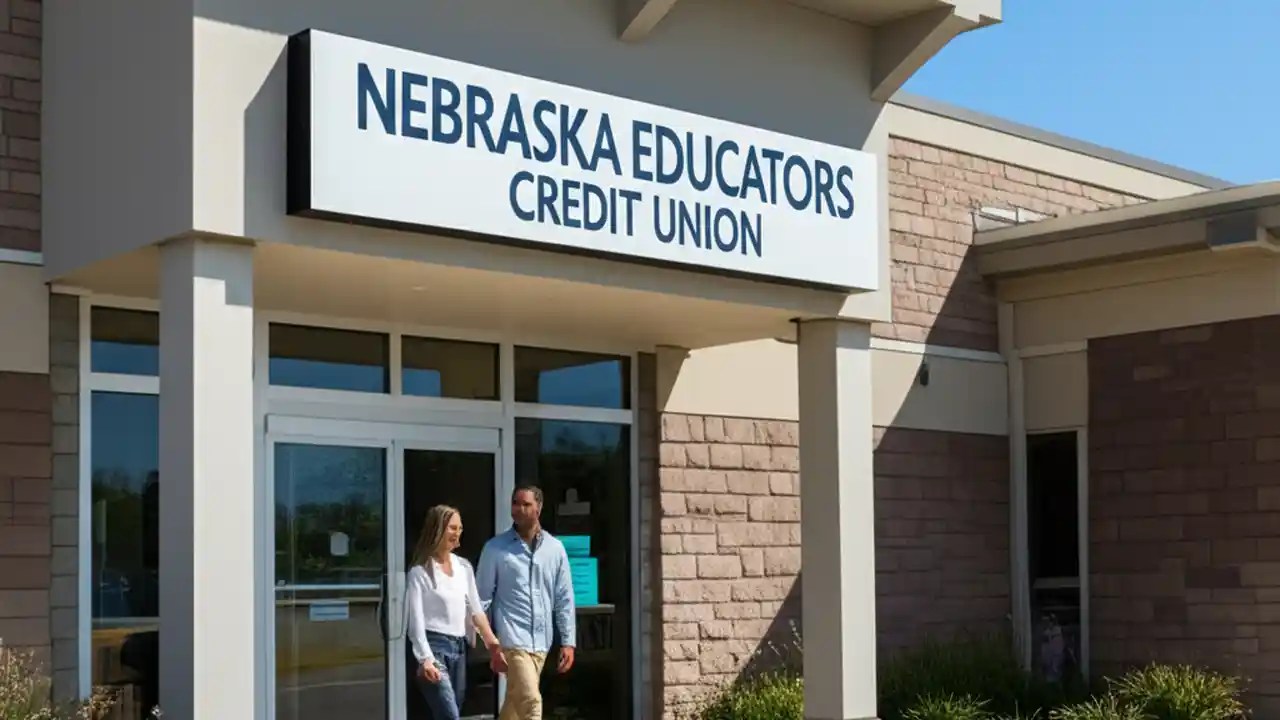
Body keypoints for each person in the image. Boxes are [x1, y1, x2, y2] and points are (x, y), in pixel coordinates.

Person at [477, 486, 576, 720]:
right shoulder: (495, 549)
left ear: (538, 508)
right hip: (512, 641)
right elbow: (480, 599)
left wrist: (568, 641)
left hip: (542, 642)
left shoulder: (555, 549)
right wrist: (489, 644)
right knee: (531, 703)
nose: (519, 509)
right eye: (515, 503)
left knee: (513, 708)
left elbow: (564, 598)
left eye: (526, 504)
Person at [407, 505, 506, 720]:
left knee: (450, 713)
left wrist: (493, 644)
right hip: (435, 650)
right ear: (437, 529)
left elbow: (476, 611)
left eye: (460, 528)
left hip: (459, 650)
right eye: (452, 528)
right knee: (450, 716)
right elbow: (415, 623)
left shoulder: (464, 568)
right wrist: (425, 659)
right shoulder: (420, 573)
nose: (458, 533)